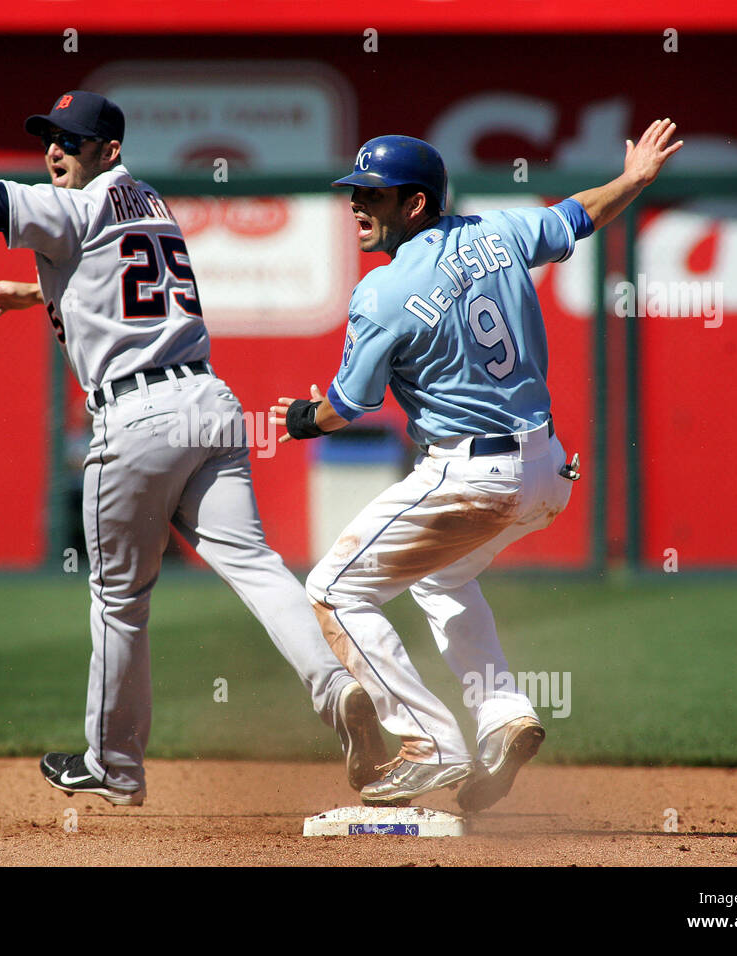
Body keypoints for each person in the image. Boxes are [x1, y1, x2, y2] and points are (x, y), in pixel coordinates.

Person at [0, 44, 389, 807]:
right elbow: (119, 285)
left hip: (137, 419)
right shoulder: (152, 205)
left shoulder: (74, 205)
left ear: (109, 150)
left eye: (71, 141)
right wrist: (42, 294)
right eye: (49, 137)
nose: (54, 150)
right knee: (260, 568)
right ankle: (337, 691)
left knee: (118, 600)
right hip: (208, 403)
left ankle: (114, 766)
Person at [272, 121, 683, 810]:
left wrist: (302, 419)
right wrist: (636, 180)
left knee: (333, 589)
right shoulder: (498, 233)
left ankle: (426, 744)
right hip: (546, 470)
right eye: (355, 192)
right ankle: (503, 717)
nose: (356, 205)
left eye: (374, 194)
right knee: (441, 579)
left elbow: (347, 406)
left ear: (417, 204)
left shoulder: (381, 294)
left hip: (470, 474)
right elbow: (578, 217)